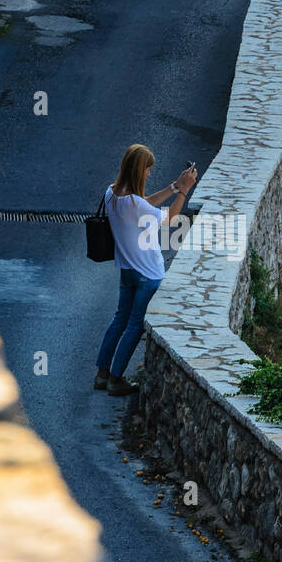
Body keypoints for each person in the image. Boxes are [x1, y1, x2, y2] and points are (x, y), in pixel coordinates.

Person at [95, 144, 197, 397]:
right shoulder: (134, 204)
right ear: (140, 170)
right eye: (148, 170)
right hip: (147, 274)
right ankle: (116, 380)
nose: (150, 174)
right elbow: (172, 218)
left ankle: (102, 374)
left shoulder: (111, 194)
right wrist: (184, 190)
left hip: (127, 271)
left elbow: (144, 203)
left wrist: (172, 188)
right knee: (134, 326)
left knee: (119, 319)